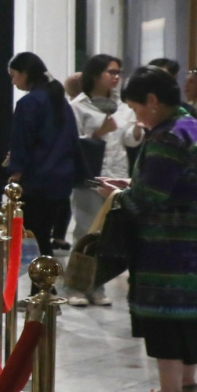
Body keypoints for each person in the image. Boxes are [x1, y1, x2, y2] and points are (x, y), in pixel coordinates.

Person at [97, 67, 197, 392]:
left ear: (153, 101)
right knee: (192, 319)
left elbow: (149, 200)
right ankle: (187, 385)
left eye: (137, 108)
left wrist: (118, 194)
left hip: (167, 248)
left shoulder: (166, 138)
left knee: (164, 321)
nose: (137, 116)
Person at [67, 54, 139, 306]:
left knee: (107, 233)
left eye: (119, 72)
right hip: (90, 174)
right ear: (96, 75)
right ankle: (75, 285)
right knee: (86, 229)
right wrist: (98, 133)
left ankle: (97, 286)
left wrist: (137, 130)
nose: (116, 77)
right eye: (111, 72)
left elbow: (128, 139)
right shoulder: (78, 105)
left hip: (116, 173)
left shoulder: (125, 106)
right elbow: (73, 142)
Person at [7, 51, 78, 258]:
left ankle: (43, 285)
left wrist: (15, 173)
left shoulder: (29, 103)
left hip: (37, 180)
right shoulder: (59, 101)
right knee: (44, 234)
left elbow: (21, 141)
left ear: (26, 73)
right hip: (61, 177)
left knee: (35, 236)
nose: (13, 81)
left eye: (14, 75)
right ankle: (45, 284)